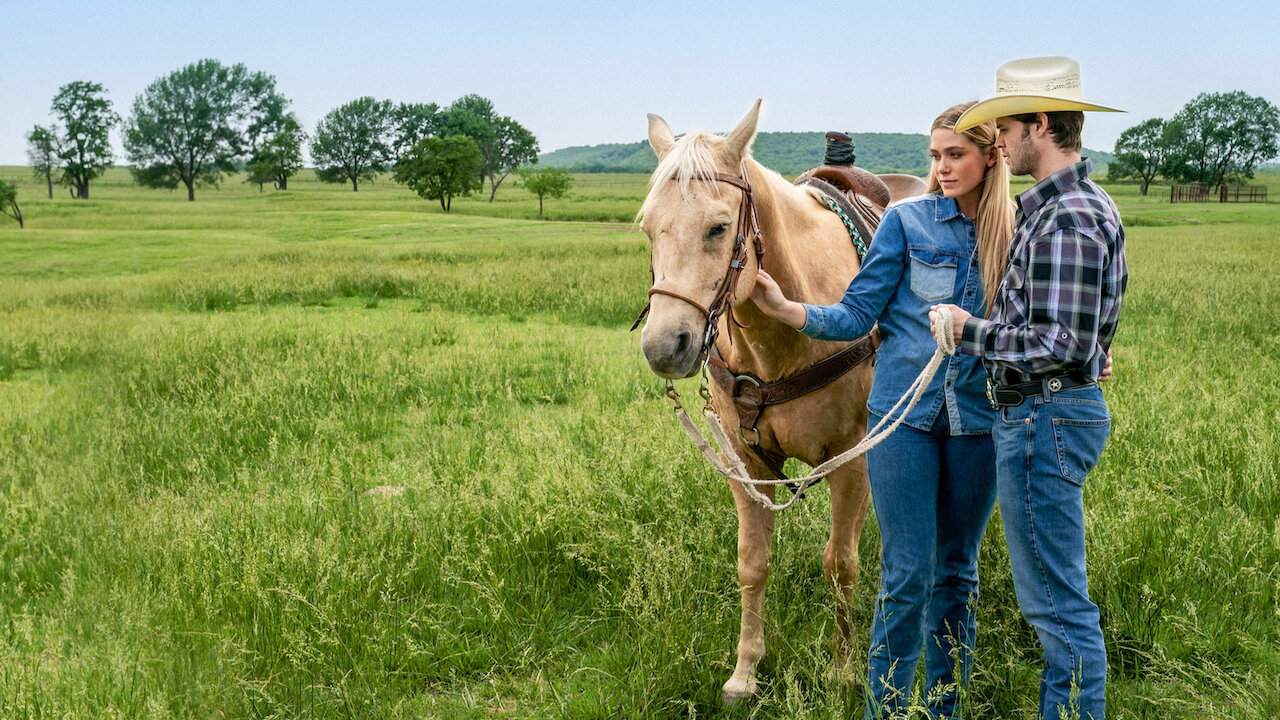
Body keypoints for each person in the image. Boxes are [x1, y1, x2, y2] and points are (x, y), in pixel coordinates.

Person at [751, 101, 1011, 719]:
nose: (942, 167)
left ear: (991, 155)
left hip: (977, 421)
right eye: (935, 155)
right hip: (905, 423)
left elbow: (1038, 320)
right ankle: (886, 709)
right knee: (905, 575)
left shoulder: (1017, 229)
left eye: (956, 154)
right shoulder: (907, 223)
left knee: (957, 571)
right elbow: (857, 315)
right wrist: (791, 311)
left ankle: (945, 704)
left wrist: (1088, 352)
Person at [932, 56, 1127, 720]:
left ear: (1039, 125)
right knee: (1055, 597)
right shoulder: (1079, 205)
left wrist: (968, 330)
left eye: (1006, 129)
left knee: (1055, 603)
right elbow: (1085, 334)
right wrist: (1088, 351)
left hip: (1043, 419)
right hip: (1048, 414)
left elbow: (1061, 344)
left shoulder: (1065, 217)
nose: (1000, 144)